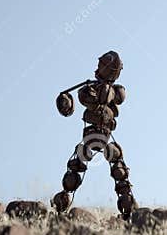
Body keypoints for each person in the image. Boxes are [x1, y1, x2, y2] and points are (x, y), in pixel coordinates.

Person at [52, 51, 137, 219]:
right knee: (75, 170)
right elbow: (87, 100)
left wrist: (104, 91)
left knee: (118, 171)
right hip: (93, 136)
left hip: (102, 136)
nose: (97, 68)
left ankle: (129, 210)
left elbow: (114, 98)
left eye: (101, 66)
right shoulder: (90, 89)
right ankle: (61, 205)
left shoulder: (112, 91)